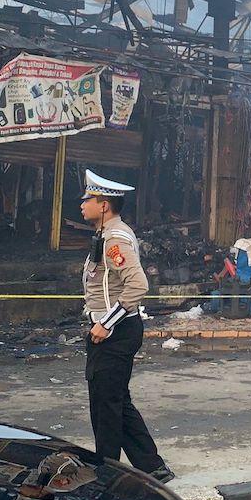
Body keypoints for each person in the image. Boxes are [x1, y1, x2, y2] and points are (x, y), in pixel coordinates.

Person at [79, 169, 174, 483]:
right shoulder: (106, 234)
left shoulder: (115, 239)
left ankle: (107, 471)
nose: (82, 204)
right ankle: (151, 466)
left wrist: (106, 324)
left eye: (88, 199)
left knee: (106, 403)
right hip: (109, 329)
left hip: (115, 331)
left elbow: (137, 284)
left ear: (104, 205)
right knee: (115, 397)